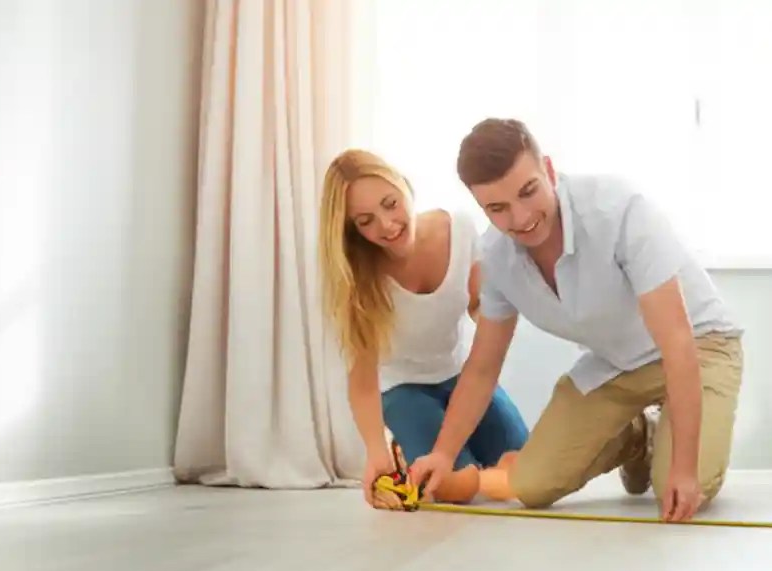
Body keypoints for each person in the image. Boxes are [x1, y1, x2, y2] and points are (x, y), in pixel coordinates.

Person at [409, 119, 745, 522]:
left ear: (548, 170)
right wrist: (443, 454)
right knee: (531, 486)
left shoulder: (619, 209)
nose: (520, 218)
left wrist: (685, 470)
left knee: (680, 486)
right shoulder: (496, 256)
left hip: (700, 345)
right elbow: (482, 368)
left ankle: (669, 446)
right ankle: (639, 437)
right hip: (616, 364)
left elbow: (677, 341)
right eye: (497, 208)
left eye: (528, 191)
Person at [318, 148, 529, 510]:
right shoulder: (359, 276)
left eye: (390, 203)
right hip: (403, 391)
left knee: (528, 466)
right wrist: (377, 455)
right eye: (365, 220)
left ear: (405, 187)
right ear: (351, 229)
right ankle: (421, 458)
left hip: (459, 379)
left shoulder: (459, 229)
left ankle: (467, 466)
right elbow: (364, 379)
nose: (386, 225)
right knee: (454, 488)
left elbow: (481, 307)